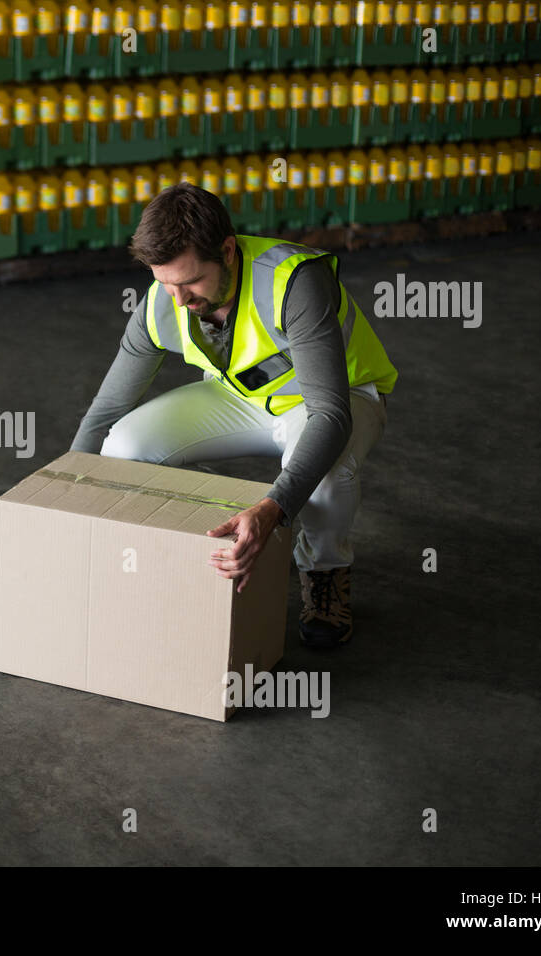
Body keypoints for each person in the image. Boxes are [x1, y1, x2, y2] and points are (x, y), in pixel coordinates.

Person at [71, 183, 397, 648]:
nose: (178, 298)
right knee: (124, 447)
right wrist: (66, 490)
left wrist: (273, 510)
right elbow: (106, 411)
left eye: (190, 281)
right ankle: (205, 546)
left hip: (336, 400)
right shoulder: (164, 299)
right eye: (165, 282)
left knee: (327, 468)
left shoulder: (295, 282)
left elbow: (329, 415)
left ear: (226, 251)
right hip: (240, 397)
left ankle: (324, 573)